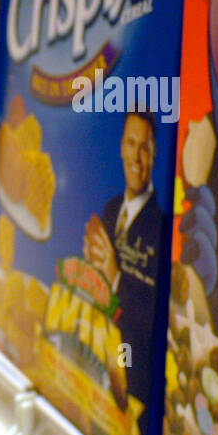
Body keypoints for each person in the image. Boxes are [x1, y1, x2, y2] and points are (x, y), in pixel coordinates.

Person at [84, 111, 163, 384]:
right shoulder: (111, 209)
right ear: (121, 147)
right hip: (99, 362)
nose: (137, 158)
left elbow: (153, 322)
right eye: (131, 144)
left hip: (135, 375)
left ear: (154, 155)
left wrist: (115, 277)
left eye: (145, 147)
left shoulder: (161, 229)